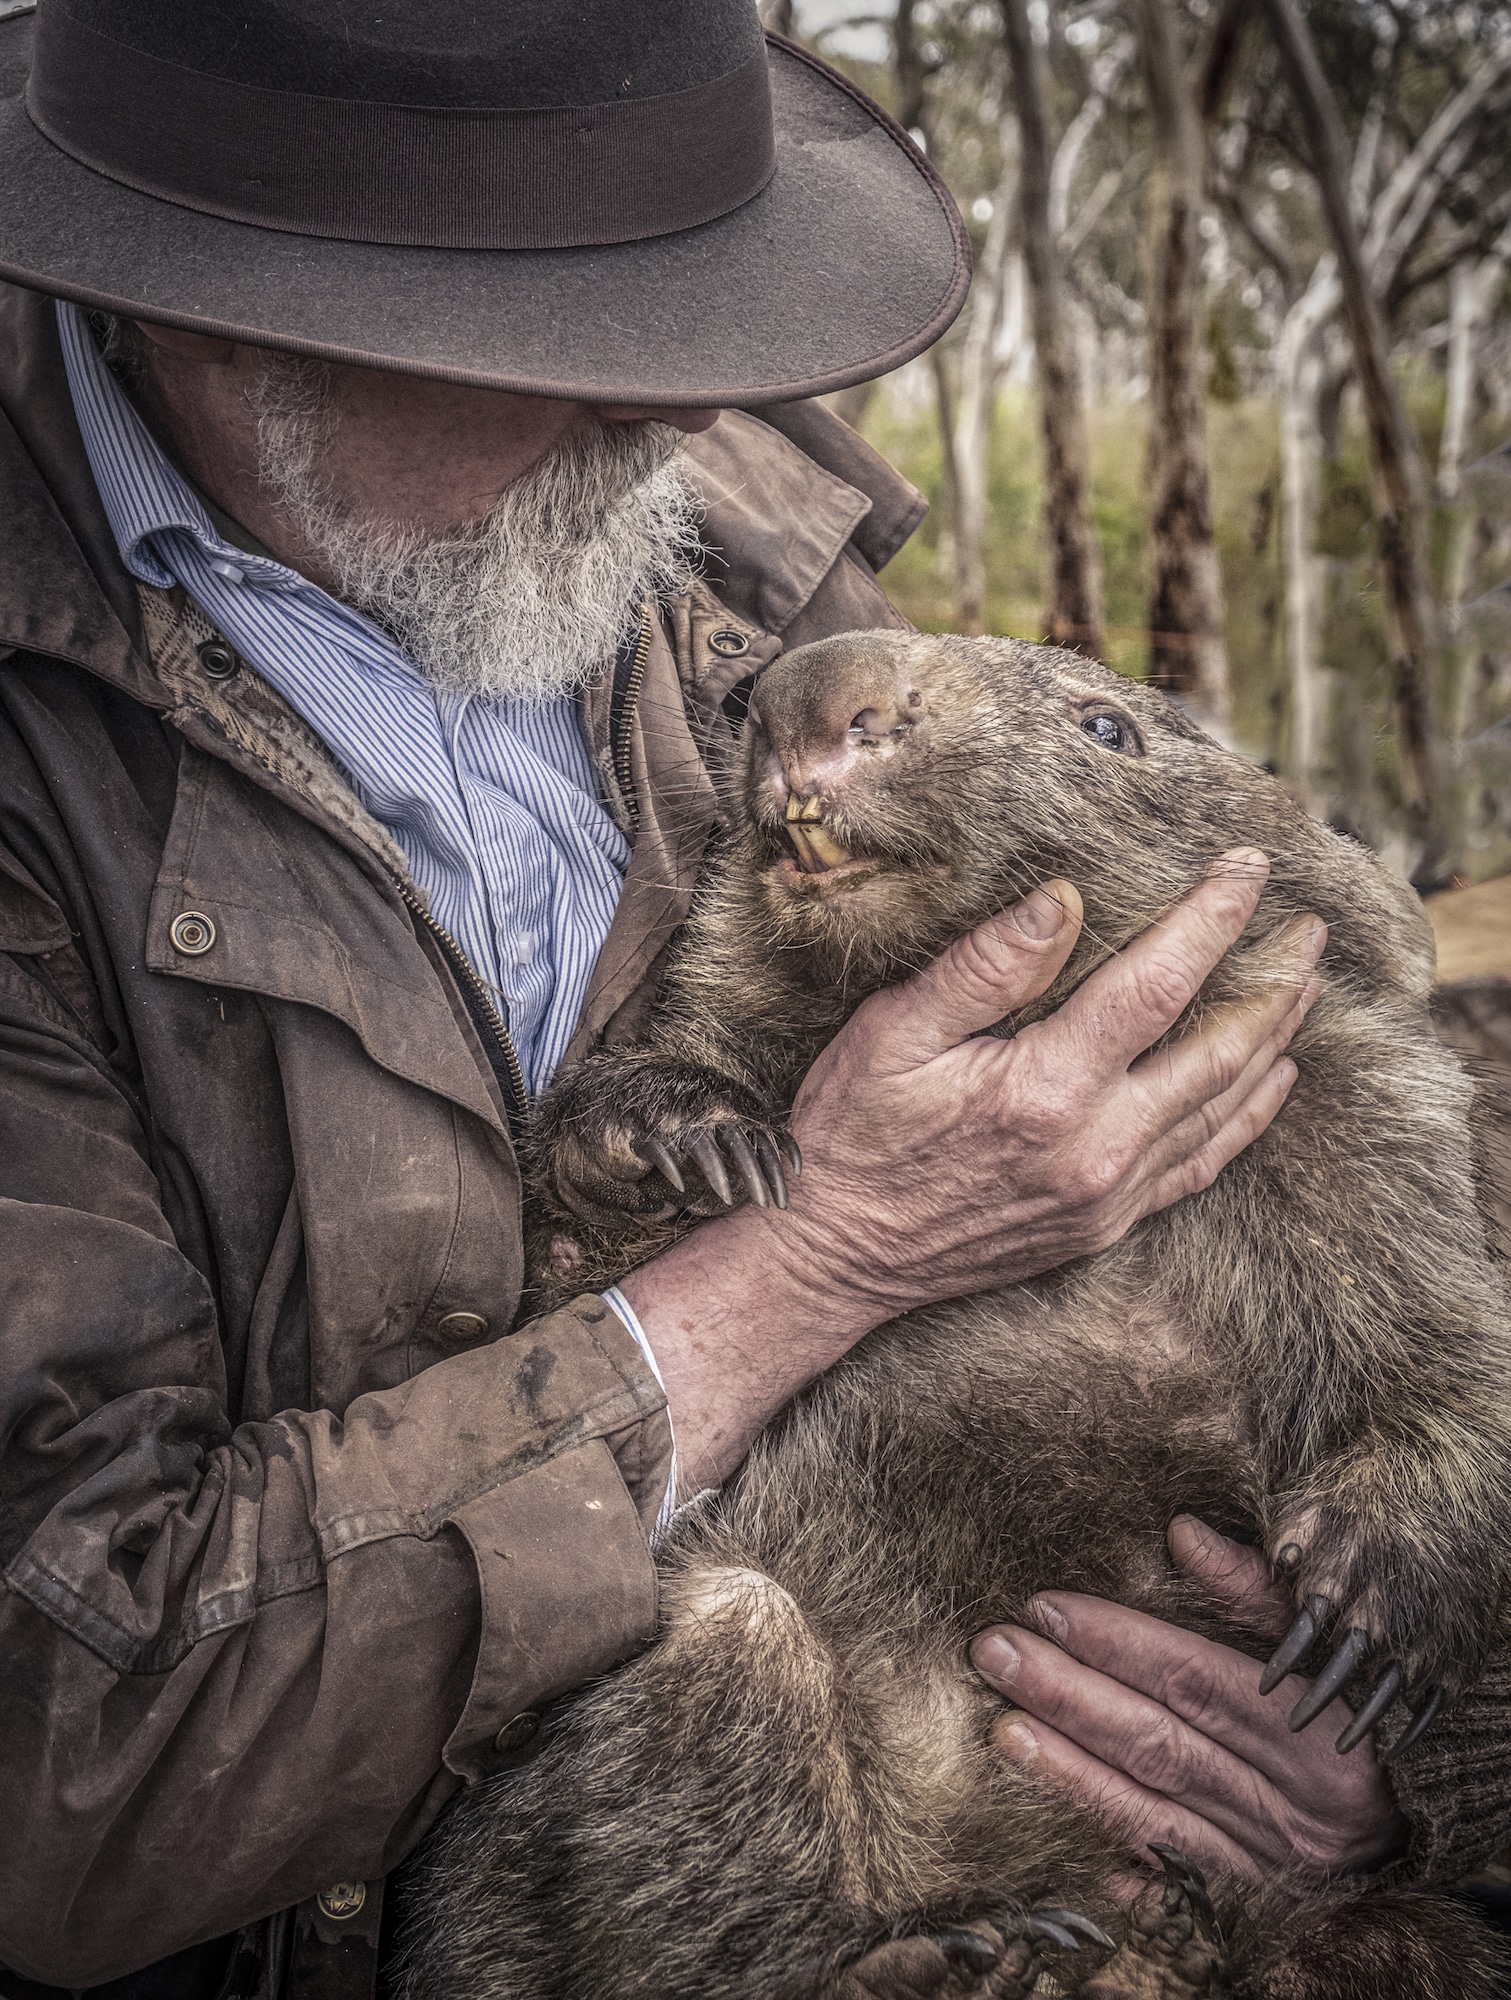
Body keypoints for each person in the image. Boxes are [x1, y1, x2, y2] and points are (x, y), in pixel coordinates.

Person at [0, 3, 1505, 1995]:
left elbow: (1388, 1293)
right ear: (228, 307)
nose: (679, 419)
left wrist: (1411, 1768)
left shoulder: (717, 549)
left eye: (693, 312)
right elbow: (64, 1752)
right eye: (585, 338)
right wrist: (820, 1256)